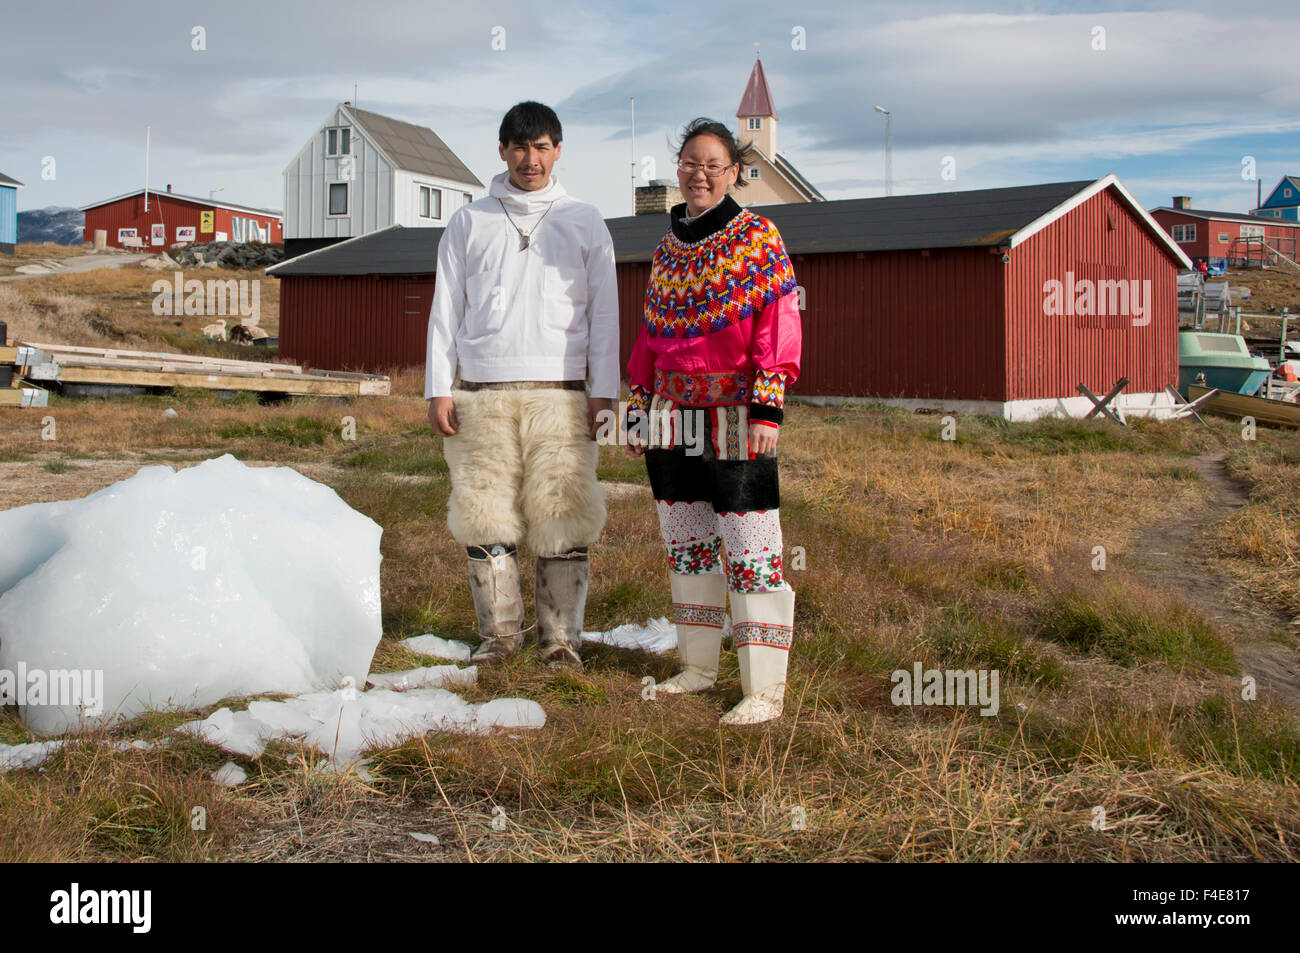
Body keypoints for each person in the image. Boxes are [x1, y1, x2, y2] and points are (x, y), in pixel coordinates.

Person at [426, 101, 619, 671]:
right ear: (502, 150)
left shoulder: (585, 219)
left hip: (560, 392)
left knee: (563, 511)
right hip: (482, 391)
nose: (529, 159)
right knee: (485, 511)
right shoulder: (470, 220)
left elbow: (604, 314)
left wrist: (603, 390)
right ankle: (499, 637)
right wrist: (440, 386)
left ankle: (561, 641)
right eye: (518, 147)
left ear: (558, 150)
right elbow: (445, 309)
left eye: (540, 147)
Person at [624, 118, 802, 725]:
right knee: (688, 545)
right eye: (690, 163)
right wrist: (636, 404)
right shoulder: (666, 247)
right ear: (677, 168)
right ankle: (698, 667)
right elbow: (651, 332)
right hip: (672, 415)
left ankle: (764, 690)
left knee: (751, 547)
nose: (699, 174)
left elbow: (778, 323)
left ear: (732, 173)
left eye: (713, 165)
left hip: (736, 412)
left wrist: (767, 407)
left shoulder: (759, 237)